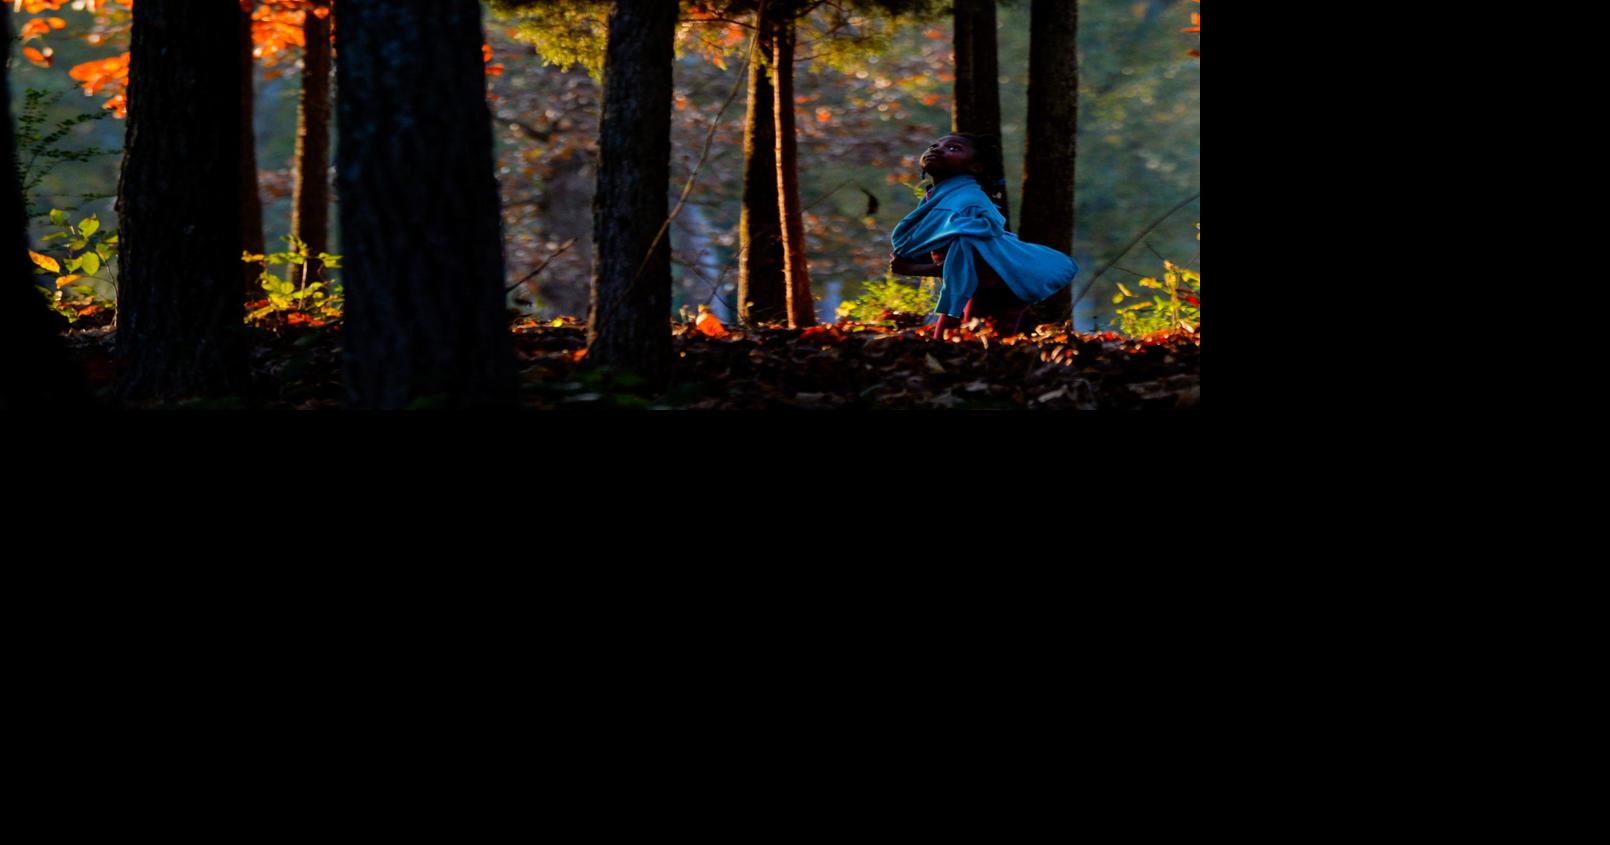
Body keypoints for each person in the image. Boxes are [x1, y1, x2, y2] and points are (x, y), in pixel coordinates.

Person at [889, 134, 1078, 339]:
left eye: (954, 148)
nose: (937, 149)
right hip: (978, 284)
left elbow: (972, 260)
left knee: (971, 344)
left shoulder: (969, 202)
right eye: (934, 145)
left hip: (1002, 284)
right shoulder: (940, 197)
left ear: (976, 167)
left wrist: (912, 269)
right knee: (958, 343)